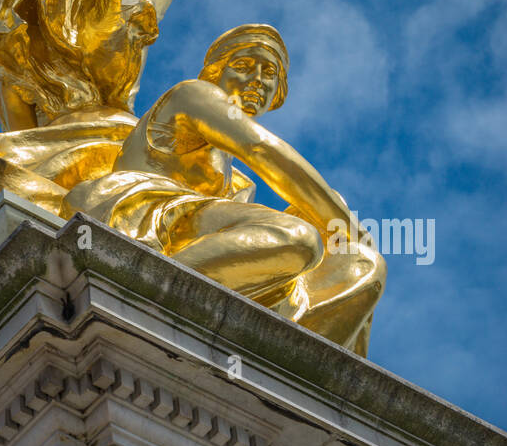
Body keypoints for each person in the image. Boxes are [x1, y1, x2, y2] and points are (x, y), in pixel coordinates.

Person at [62, 24, 386, 354]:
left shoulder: (238, 186)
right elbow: (261, 149)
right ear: (214, 73)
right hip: (145, 215)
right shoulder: (192, 95)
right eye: (243, 66)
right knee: (301, 237)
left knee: (361, 263)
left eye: (269, 73)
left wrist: (337, 223)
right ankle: (143, 292)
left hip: (199, 245)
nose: (258, 79)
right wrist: (343, 220)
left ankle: (285, 366)